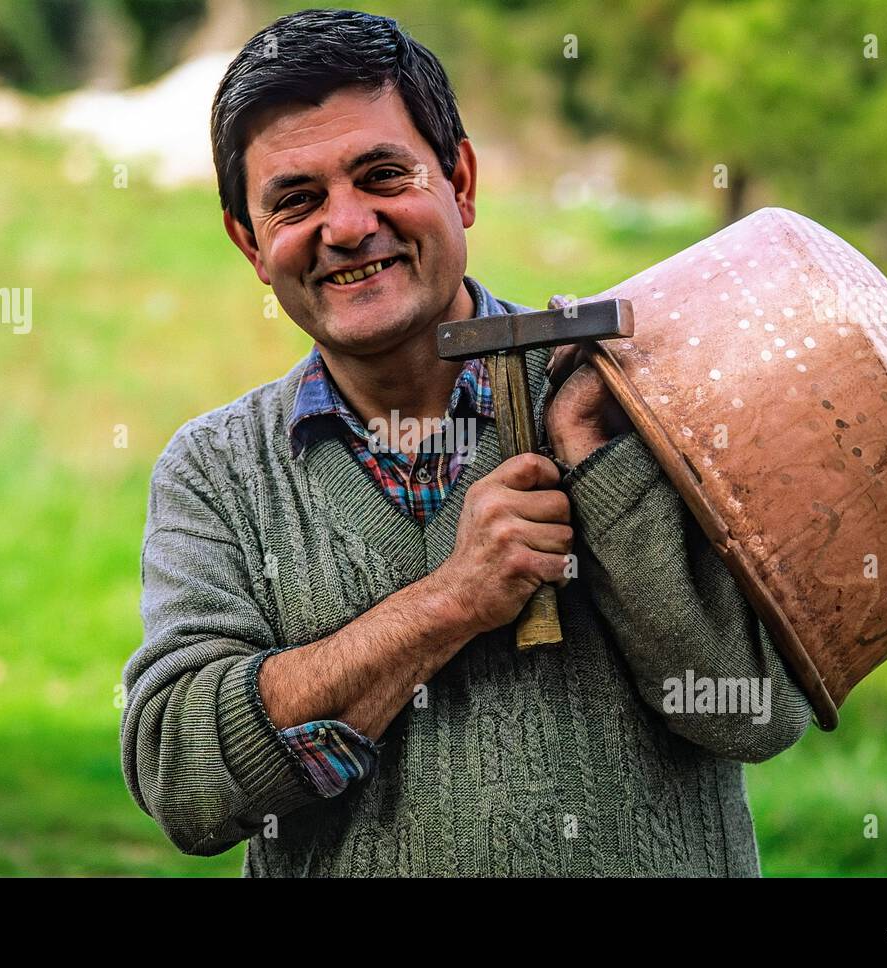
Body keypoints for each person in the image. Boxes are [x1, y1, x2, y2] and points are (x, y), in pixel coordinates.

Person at [119, 7, 813, 877]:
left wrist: (599, 460)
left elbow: (753, 716)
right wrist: (452, 599)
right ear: (249, 242)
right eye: (296, 200)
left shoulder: (634, 389)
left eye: (382, 174)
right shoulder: (216, 472)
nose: (346, 226)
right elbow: (185, 784)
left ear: (462, 181)